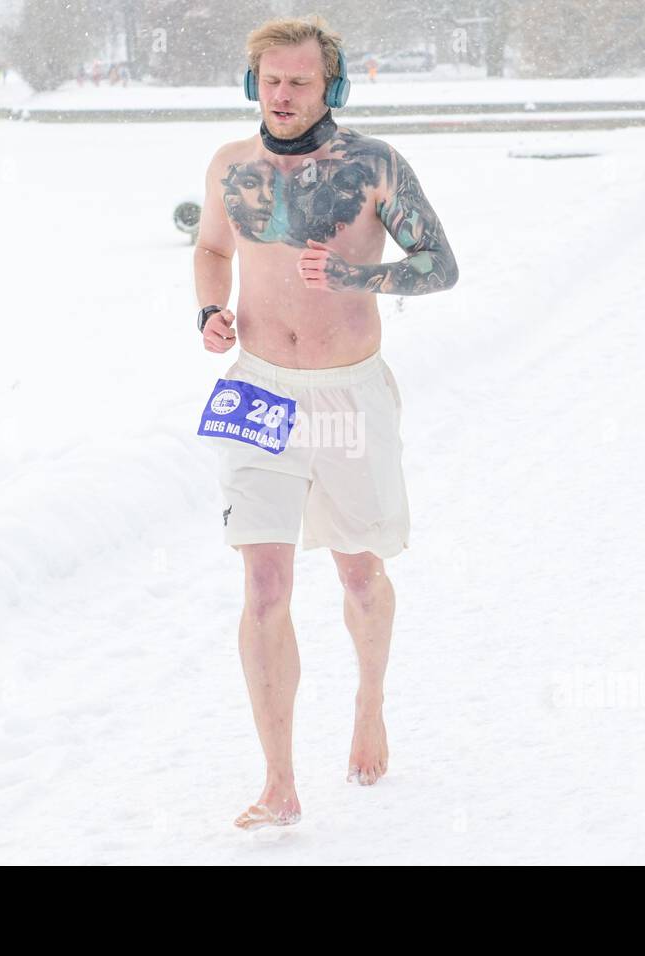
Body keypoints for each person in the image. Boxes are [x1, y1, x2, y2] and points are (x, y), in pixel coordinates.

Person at [193, 16, 458, 830]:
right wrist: (209, 311)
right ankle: (279, 780)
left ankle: (369, 703)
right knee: (264, 583)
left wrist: (359, 275)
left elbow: (440, 265)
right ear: (252, 84)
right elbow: (211, 249)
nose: (283, 95)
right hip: (260, 392)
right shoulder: (229, 167)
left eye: (300, 82)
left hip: (347, 397)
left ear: (330, 87)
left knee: (357, 574)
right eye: (271, 80)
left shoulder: (374, 166)